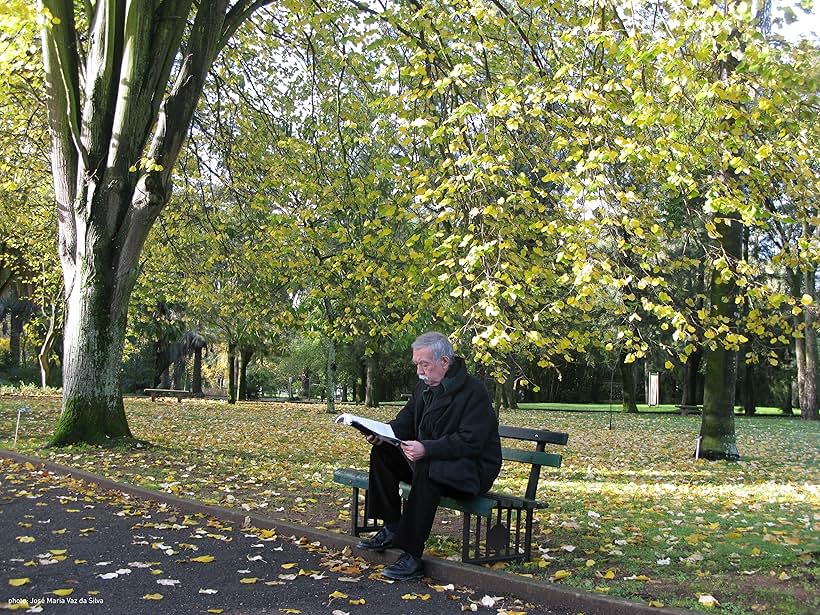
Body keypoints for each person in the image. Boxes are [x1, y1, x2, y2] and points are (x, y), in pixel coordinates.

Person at [356, 331, 502, 581]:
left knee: (427, 466)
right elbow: (405, 423)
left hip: (472, 470)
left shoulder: (473, 391)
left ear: (444, 362)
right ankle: (391, 526)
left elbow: (471, 441)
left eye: (424, 365)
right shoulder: (424, 387)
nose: (419, 372)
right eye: (417, 365)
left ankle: (412, 556)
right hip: (437, 462)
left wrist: (428, 449)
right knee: (382, 453)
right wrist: (381, 434)